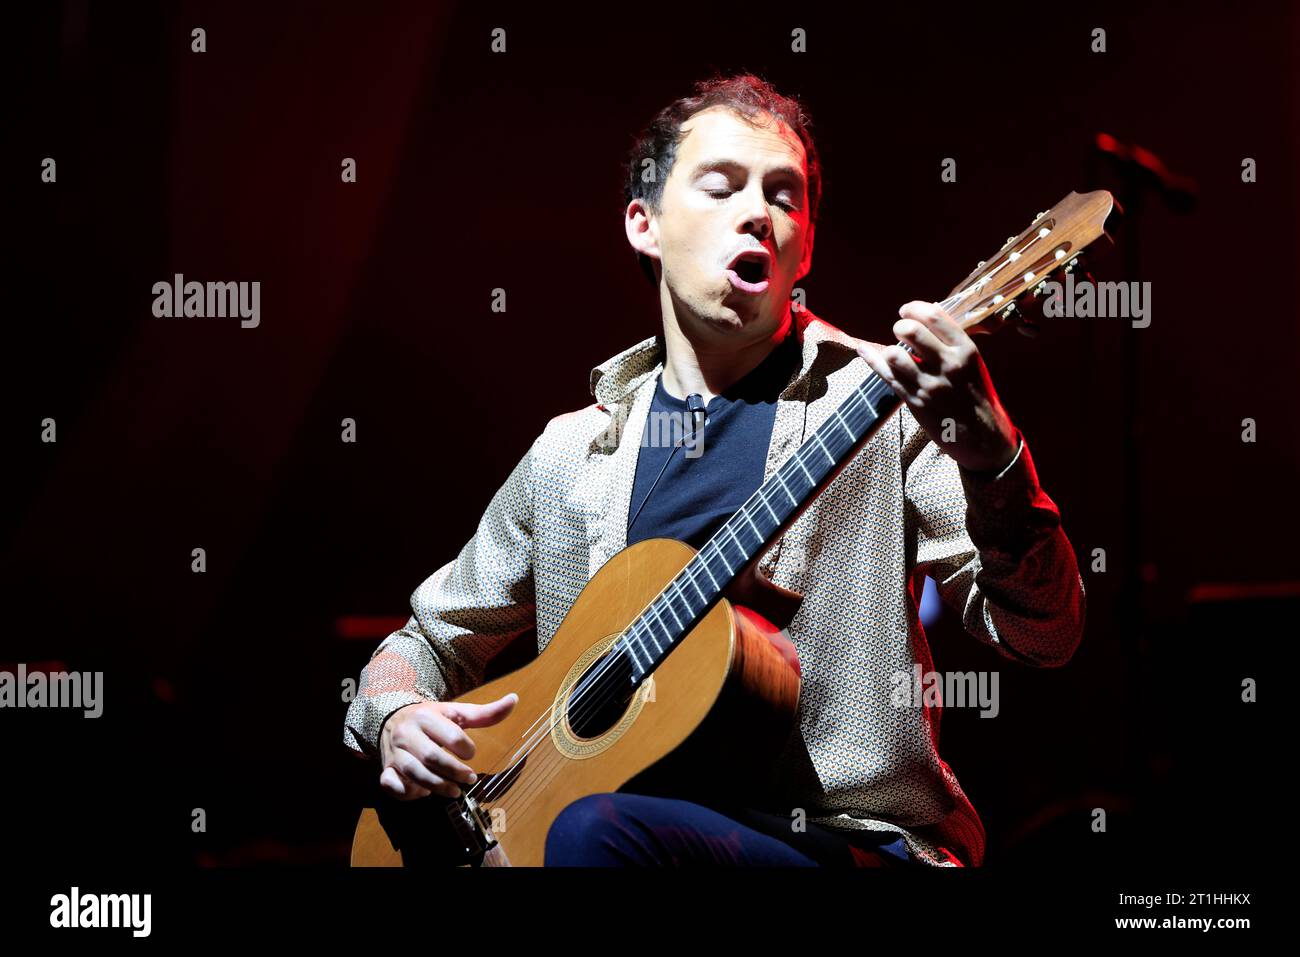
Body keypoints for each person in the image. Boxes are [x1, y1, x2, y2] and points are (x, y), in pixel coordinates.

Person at [342, 73, 1085, 867]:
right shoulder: (568, 455)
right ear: (644, 225)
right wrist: (393, 716)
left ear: (806, 247)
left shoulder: (887, 402)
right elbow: (425, 639)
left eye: (785, 197)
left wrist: (992, 454)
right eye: (722, 186)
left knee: (595, 833)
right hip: (603, 840)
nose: (759, 213)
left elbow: (1045, 632)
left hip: (847, 845)